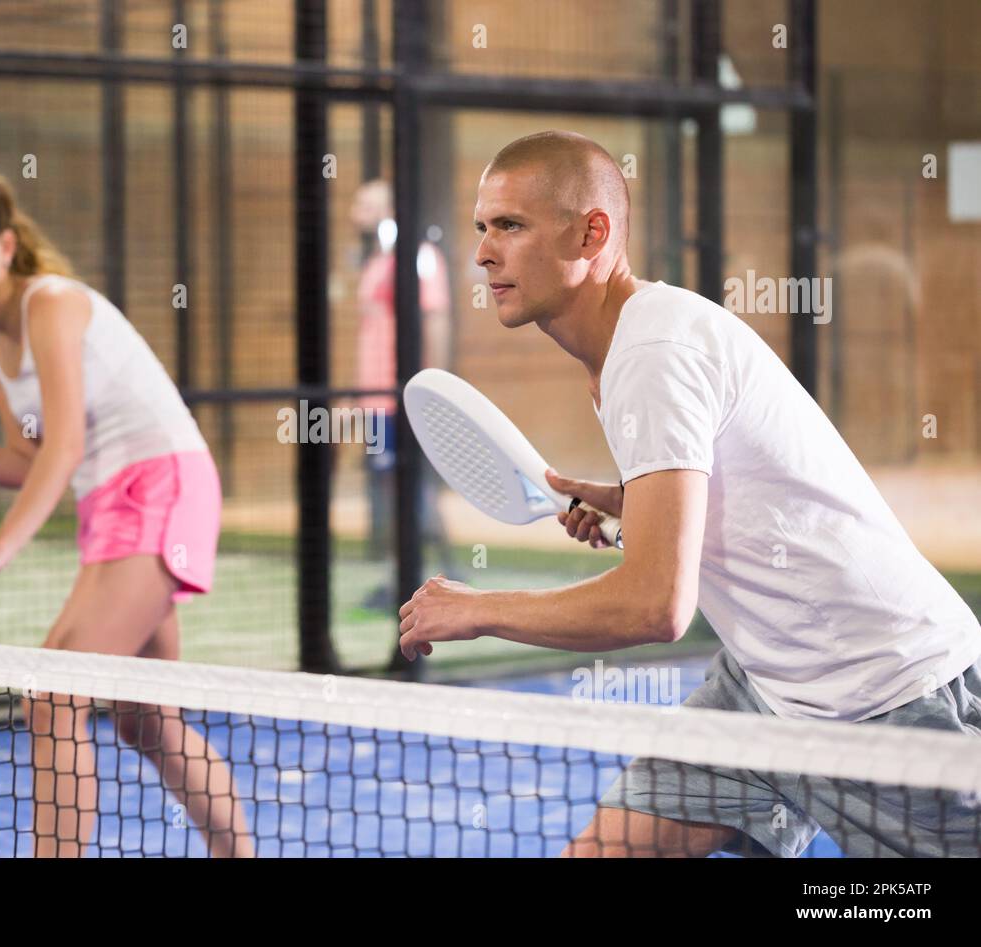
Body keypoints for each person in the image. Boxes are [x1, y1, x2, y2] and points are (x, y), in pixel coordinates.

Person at [396, 131, 981, 857]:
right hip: (766, 684)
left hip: (890, 695)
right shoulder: (625, 343)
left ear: (592, 232)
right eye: (482, 227)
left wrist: (478, 608)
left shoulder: (650, 353)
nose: (484, 252)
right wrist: (630, 501)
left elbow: (654, 605)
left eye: (510, 226)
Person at [0, 170, 253, 858]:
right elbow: (29, 455)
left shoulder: (51, 303)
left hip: (164, 485)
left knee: (52, 695)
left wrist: (0, 545)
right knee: (146, 722)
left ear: (6, 243)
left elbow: (66, 441)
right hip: (107, 504)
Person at [349, 179, 458, 609]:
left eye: (365, 202)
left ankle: (438, 572)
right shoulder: (376, 259)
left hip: (401, 400)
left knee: (411, 487)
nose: (355, 208)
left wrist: (430, 389)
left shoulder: (417, 256)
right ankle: (402, 578)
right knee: (389, 487)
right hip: (375, 402)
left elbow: (436, 320)